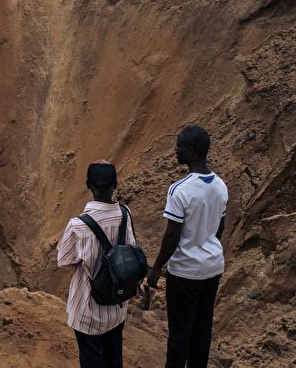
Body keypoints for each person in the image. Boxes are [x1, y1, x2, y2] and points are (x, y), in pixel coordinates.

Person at [146, 125, 228, 368]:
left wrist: (156, 268)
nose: (175, 151)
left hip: (185, 273)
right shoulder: (220, 185)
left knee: (180, 333)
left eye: (179, 146)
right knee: (202, 329)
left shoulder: (180, 189)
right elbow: (219, 229)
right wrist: (205, 246)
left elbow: (172, 235)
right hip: (212, 267)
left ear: (192, 152)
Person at [57, 160, 138, 368]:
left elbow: (64, 261)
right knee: (113, 359)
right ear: (115, 186)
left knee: (92, 360)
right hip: (117, 305)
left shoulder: (78, 225)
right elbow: (131, 247)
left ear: (89, 186)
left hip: (89, 309)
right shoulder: (125, 214)